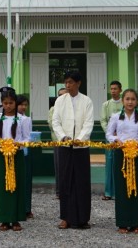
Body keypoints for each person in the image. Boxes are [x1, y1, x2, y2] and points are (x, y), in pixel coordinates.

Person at [51, 72, 94, 230]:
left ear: (78, 83)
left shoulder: (86, 101)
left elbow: (88, 123)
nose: (68, 85)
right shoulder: (60, 100)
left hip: (81, 147)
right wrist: (63, 137)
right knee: (65, 181)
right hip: (64, 146)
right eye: (66, 82)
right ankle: (65, 217)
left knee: (81, 182)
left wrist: (80, 139)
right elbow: (56, 122)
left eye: (71, 82)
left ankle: (83, 218)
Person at [106, 88, 138, 234]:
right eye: (127, 99)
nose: (130, 102)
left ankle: (135, 223)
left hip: (135, 154)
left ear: (136, 101)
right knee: (122, 188)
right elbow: (109, 134)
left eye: (133, 99)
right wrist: (116, 140)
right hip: (121, 154)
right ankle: (123, 223)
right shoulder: (116, 116)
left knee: (135, 187)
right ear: (123, 101)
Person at [0, 86, 28, 231]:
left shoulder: (23, 120)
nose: (8, 106)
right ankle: (4, 218)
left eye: (11, 103)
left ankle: (16, 219)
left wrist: (17, 146)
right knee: (3, 186)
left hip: (16, 155)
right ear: (2, 103)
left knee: (17, 185)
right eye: (5, 103)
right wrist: (1, 146)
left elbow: (26, 139)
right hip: (2, 156)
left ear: (15, 103)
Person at [100, 80, 123, 201]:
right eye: (111, 89)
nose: (113, 91)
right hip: (110, 138)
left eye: (115, 89)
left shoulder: (125, 104)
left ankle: (120, 191)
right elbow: (103, 120)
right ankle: (108, 192)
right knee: (109, 163)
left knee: (121, 163)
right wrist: (109, 132)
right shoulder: (106, 105)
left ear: (120, 90)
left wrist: (119, 133)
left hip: (122, 138)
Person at [16, 95, 34, 218]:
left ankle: (27, 208)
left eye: (25, 105)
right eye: (21, 104)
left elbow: (28, 135)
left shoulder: (27, 119)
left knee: (26, 180)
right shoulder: (9, 118)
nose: (23, 107)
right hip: (12, 150)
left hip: (25, 151)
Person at [48, 87, 67, 199]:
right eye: (60, 95)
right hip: (58, 141)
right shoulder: (53, 109)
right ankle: (59, 191)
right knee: (59, 167)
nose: (62, 97)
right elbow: (52, 125)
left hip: (71, 142)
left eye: (64, 95)